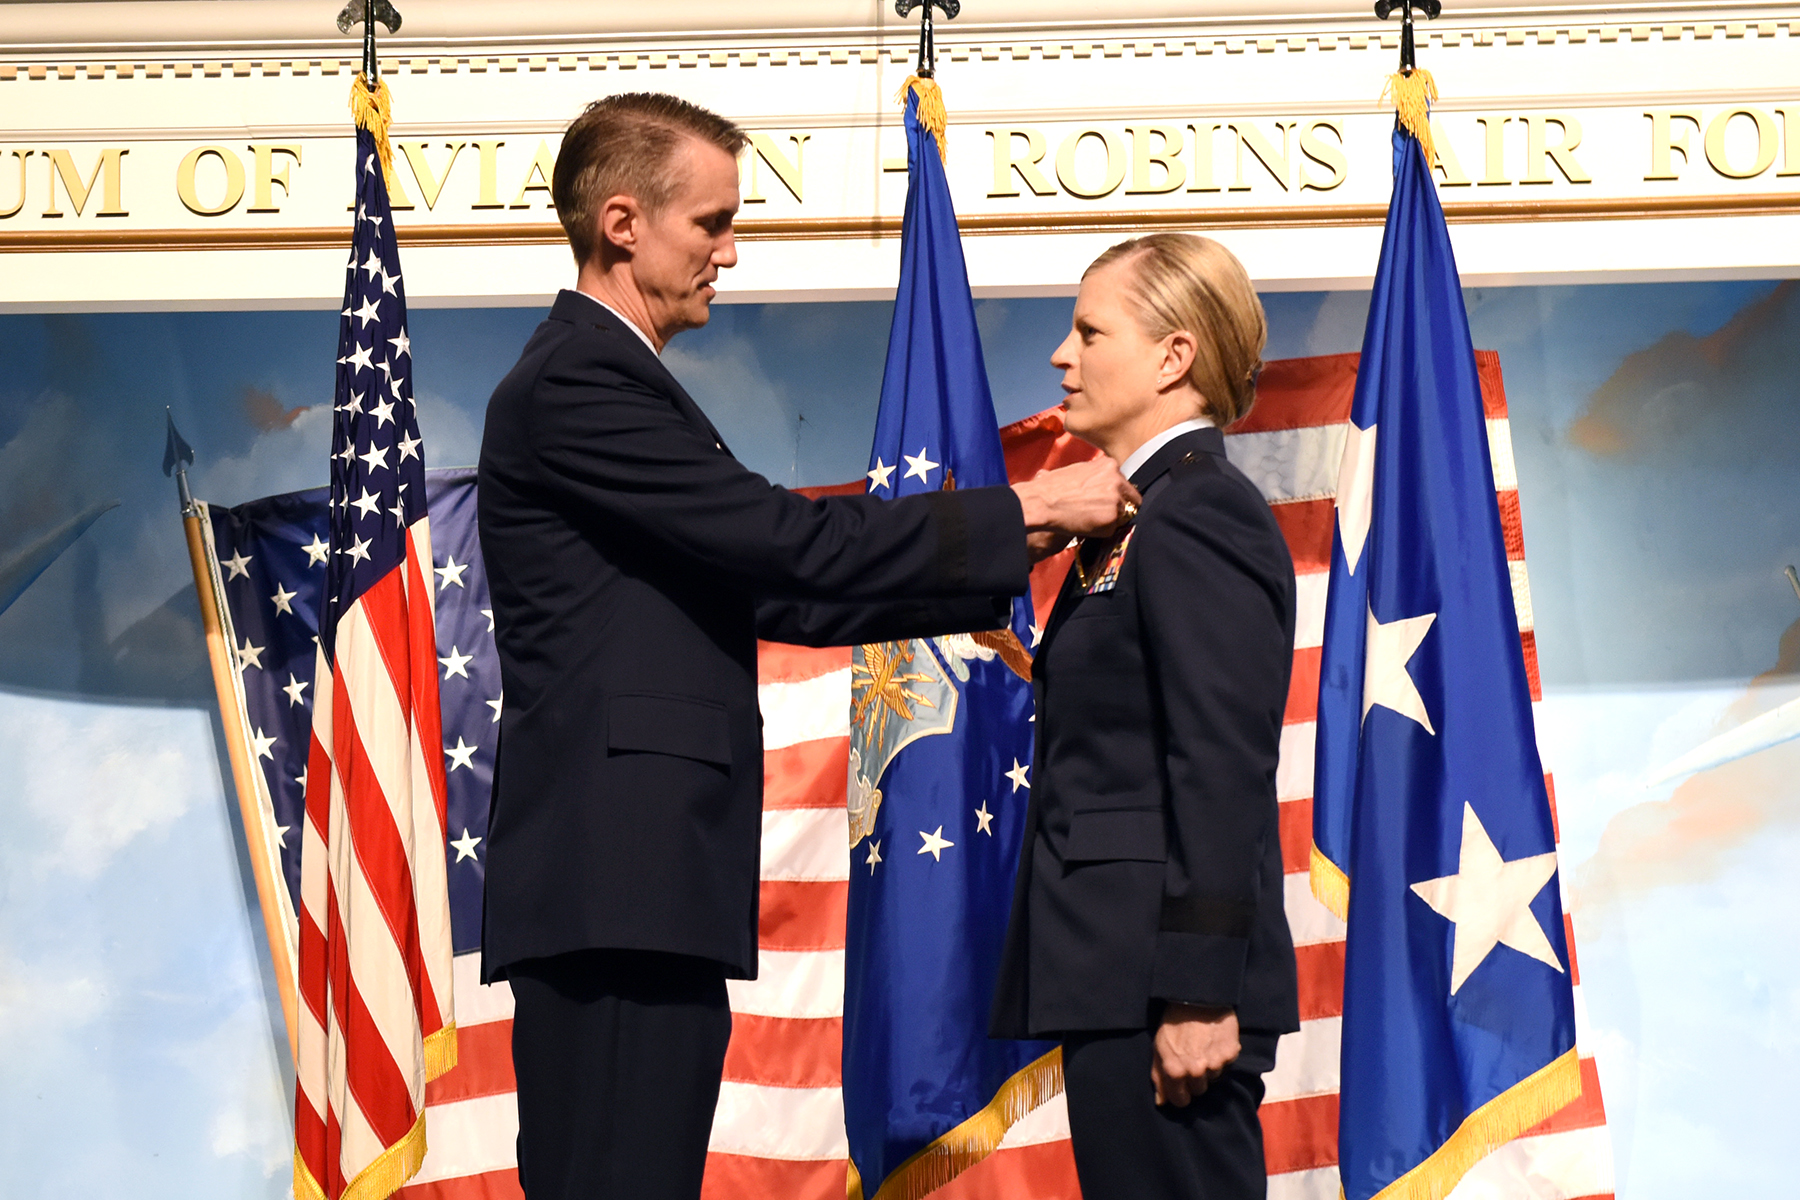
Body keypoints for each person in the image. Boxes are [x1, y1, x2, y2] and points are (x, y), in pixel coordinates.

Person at [476, 92, 1137, 1200]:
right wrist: (1026, 509)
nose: (729, 252)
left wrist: (990, 568)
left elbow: (785, 593)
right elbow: (786, 544)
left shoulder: (615, 380)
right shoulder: (578, 381)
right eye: (712, 223)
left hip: (645, 889)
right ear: (623, 223)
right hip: (616, 887)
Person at [989, 233, 1300, 1200]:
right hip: (1120, 976)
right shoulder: (1140, 516)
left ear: (1174, 357)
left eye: (1090, 332)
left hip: (1164, 987)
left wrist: (1199, 990)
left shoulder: (1200, 510)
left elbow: (1221, 761)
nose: (1061, 356)